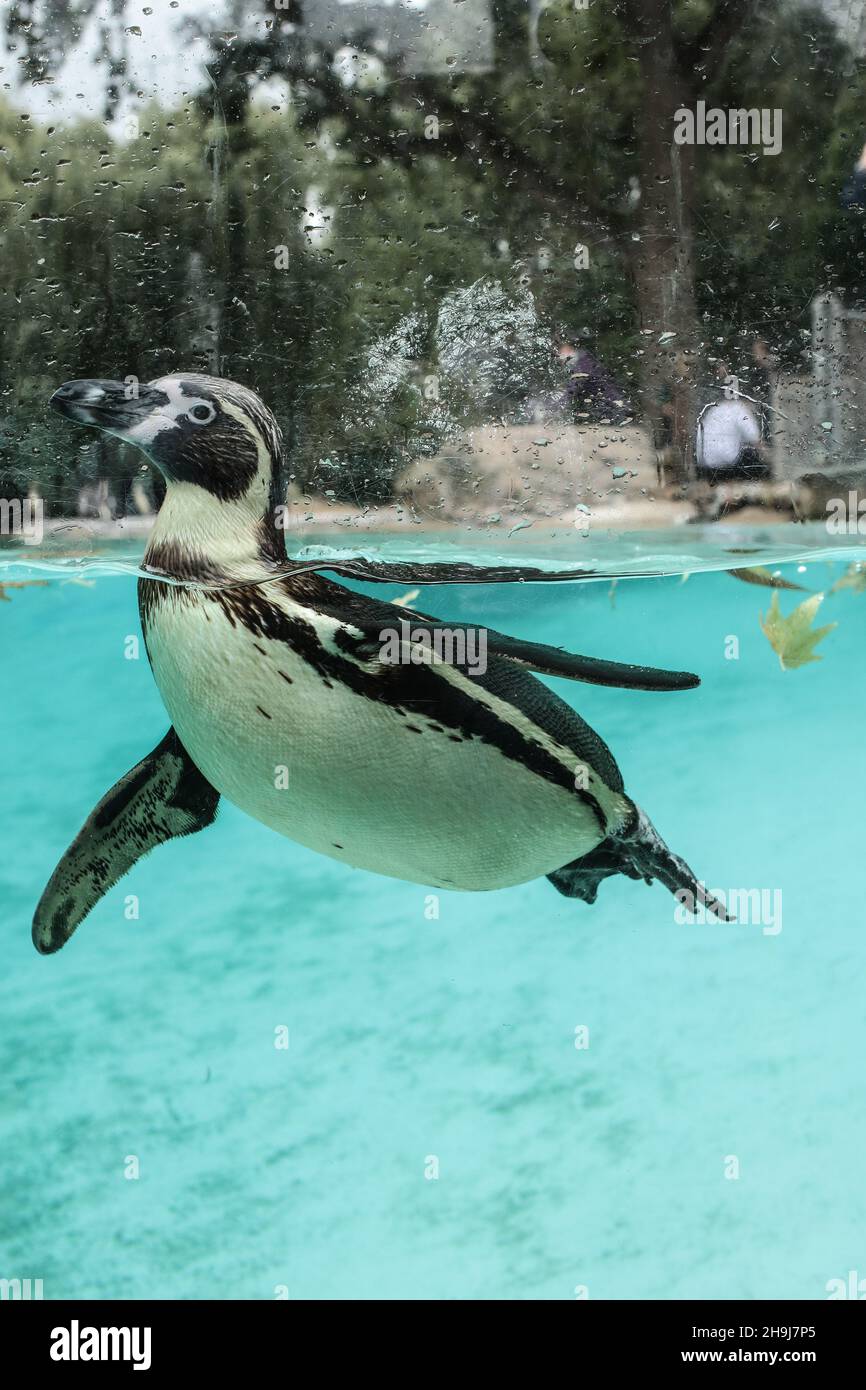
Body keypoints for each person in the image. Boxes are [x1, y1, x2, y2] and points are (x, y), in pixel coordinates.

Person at [695, 371, 771, 484]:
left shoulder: (714, 409)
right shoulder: (739, 409)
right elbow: (757, 441)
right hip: (726, 467)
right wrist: (772, 462)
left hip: (705, 466)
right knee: (752, 454)